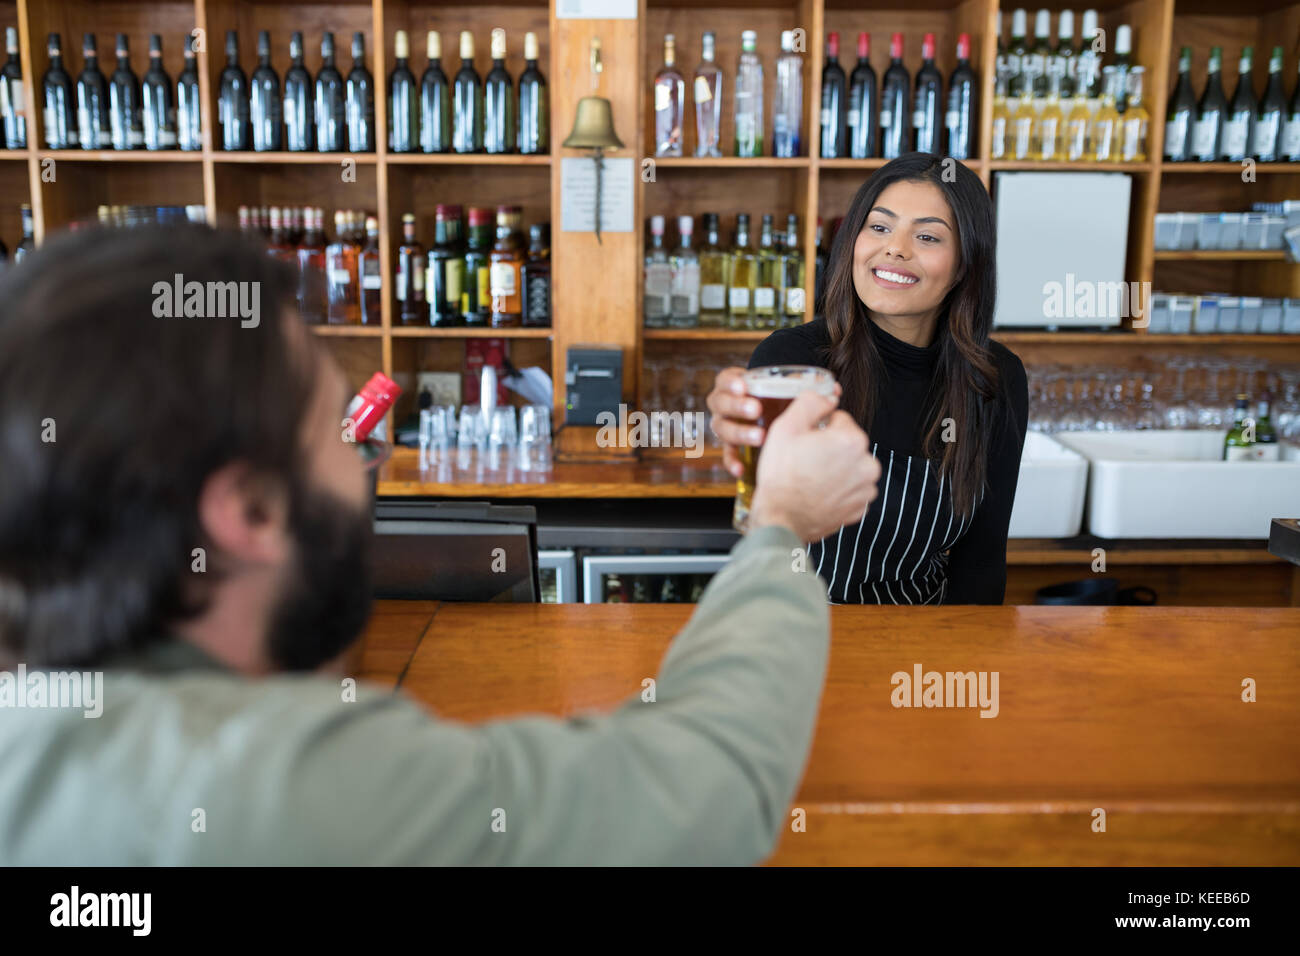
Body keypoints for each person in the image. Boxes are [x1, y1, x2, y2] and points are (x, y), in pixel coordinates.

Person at [0, 224, 881, 865]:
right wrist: (781, 529)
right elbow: (707, 792)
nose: (363, 472)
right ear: (253, 513)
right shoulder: (276, 787)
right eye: (346, 444)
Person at [709, 153, 1028, 605]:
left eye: (927, 235)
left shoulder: (995, 378)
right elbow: (765, 526)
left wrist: (960, 665)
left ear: (964, 265)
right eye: (879, 227)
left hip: (924, 644)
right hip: (799, 632)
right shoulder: (795, 361)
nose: (895, 248)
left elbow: (982, 559)